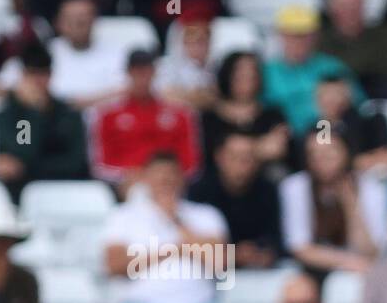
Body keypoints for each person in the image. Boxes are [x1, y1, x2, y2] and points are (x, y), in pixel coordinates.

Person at [100, 151, 229, 303]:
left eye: (170, 175)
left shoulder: (206, 215)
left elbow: (221, 263)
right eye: (158, 175)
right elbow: (114, 265)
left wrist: (176, 221)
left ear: (182, 178)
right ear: (146, 178)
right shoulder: (123, 216)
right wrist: (171, 249)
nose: (165, 181)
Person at [279, 130, 387, 280]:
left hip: (358, 273)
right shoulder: (295, 186)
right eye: (313, 153)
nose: (321, 159)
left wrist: (350, 202)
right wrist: (347, 261)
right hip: (310, 272)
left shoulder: (370, 188)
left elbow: (370, 251)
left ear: (346, 152)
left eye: (329, 152)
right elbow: (300, 247)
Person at [0, 0, 126, 109]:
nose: (78, 24)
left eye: (83, 18)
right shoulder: (45, 52)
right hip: (52, 127)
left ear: (95, 19)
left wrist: (75, 104)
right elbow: (1, 88)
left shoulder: (118, 53)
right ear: (58, 22)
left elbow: (132, 90)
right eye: (71, 19)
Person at [92, 49, 202, 189]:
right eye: (137, 72)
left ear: (154, 72)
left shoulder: (180, 113)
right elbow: (100, 165)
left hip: (171, 184)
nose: (142, 78)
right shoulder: (108, 115)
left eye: (146, 71)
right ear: (128, 73)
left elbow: (192, 164)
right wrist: (131, 175)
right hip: (127, 183)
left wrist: (165, 175)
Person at [0, 43, 90, 202]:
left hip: (65, 193)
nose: (38, 81)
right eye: (32, 73)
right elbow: (24, 150)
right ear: (23, 75)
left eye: (43, 73)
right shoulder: (9, 116)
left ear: (51, 74)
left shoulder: (68, 114)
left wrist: (27, 167)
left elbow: (76, 163)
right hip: (21, 196)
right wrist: (32, 112)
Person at [263, 4, 366, 134]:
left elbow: (357, 104)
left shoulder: (333, 67)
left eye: (306, 35)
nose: (300, 41)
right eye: (294, 34)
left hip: (325, 134)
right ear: (282, 35)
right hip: (284, 138)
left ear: (315, 36)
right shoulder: (267, 72)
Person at [188, 133, 283, 269]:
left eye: (248, 157)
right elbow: (191, 241)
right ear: (219, 157)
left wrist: (263, 253)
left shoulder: (268, 190)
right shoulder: (199, 191)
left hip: (258, 268)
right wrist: (233, 254)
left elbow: (276, 240)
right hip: (209, 270)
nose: (242, 164)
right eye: (235, 157)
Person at [318, 0, 387, 99]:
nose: (351, 10)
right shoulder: (321, 39)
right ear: (332, 9)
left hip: (381, 98)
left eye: (356, 4)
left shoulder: (384, 34)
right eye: (344, 5)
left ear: (364, 5)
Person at [201, 52, 290, 176]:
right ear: (228, 74)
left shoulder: (273, 115)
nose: (247, 76)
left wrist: (233, 153)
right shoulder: (209, 117)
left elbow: (277, 150)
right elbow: (208, 156)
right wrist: (259, 148)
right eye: (240, 72)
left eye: (252, 71)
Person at [297, 75, 387, 177]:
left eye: (336, 93)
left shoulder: (372, 121)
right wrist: (355, 161)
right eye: (326, 94)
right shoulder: (319, 129)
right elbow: (321, 163)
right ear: (317, 99)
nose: (331, 99)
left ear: (348, 96)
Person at [155, 14, 217, 111]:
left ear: (209, 43)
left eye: (201, 41)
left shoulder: (216, 67)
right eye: (190, 41)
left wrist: (183, 94)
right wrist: (199, 96)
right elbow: (164, 96)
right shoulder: (167, 65)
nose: (196, 47)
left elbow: (216, 98)